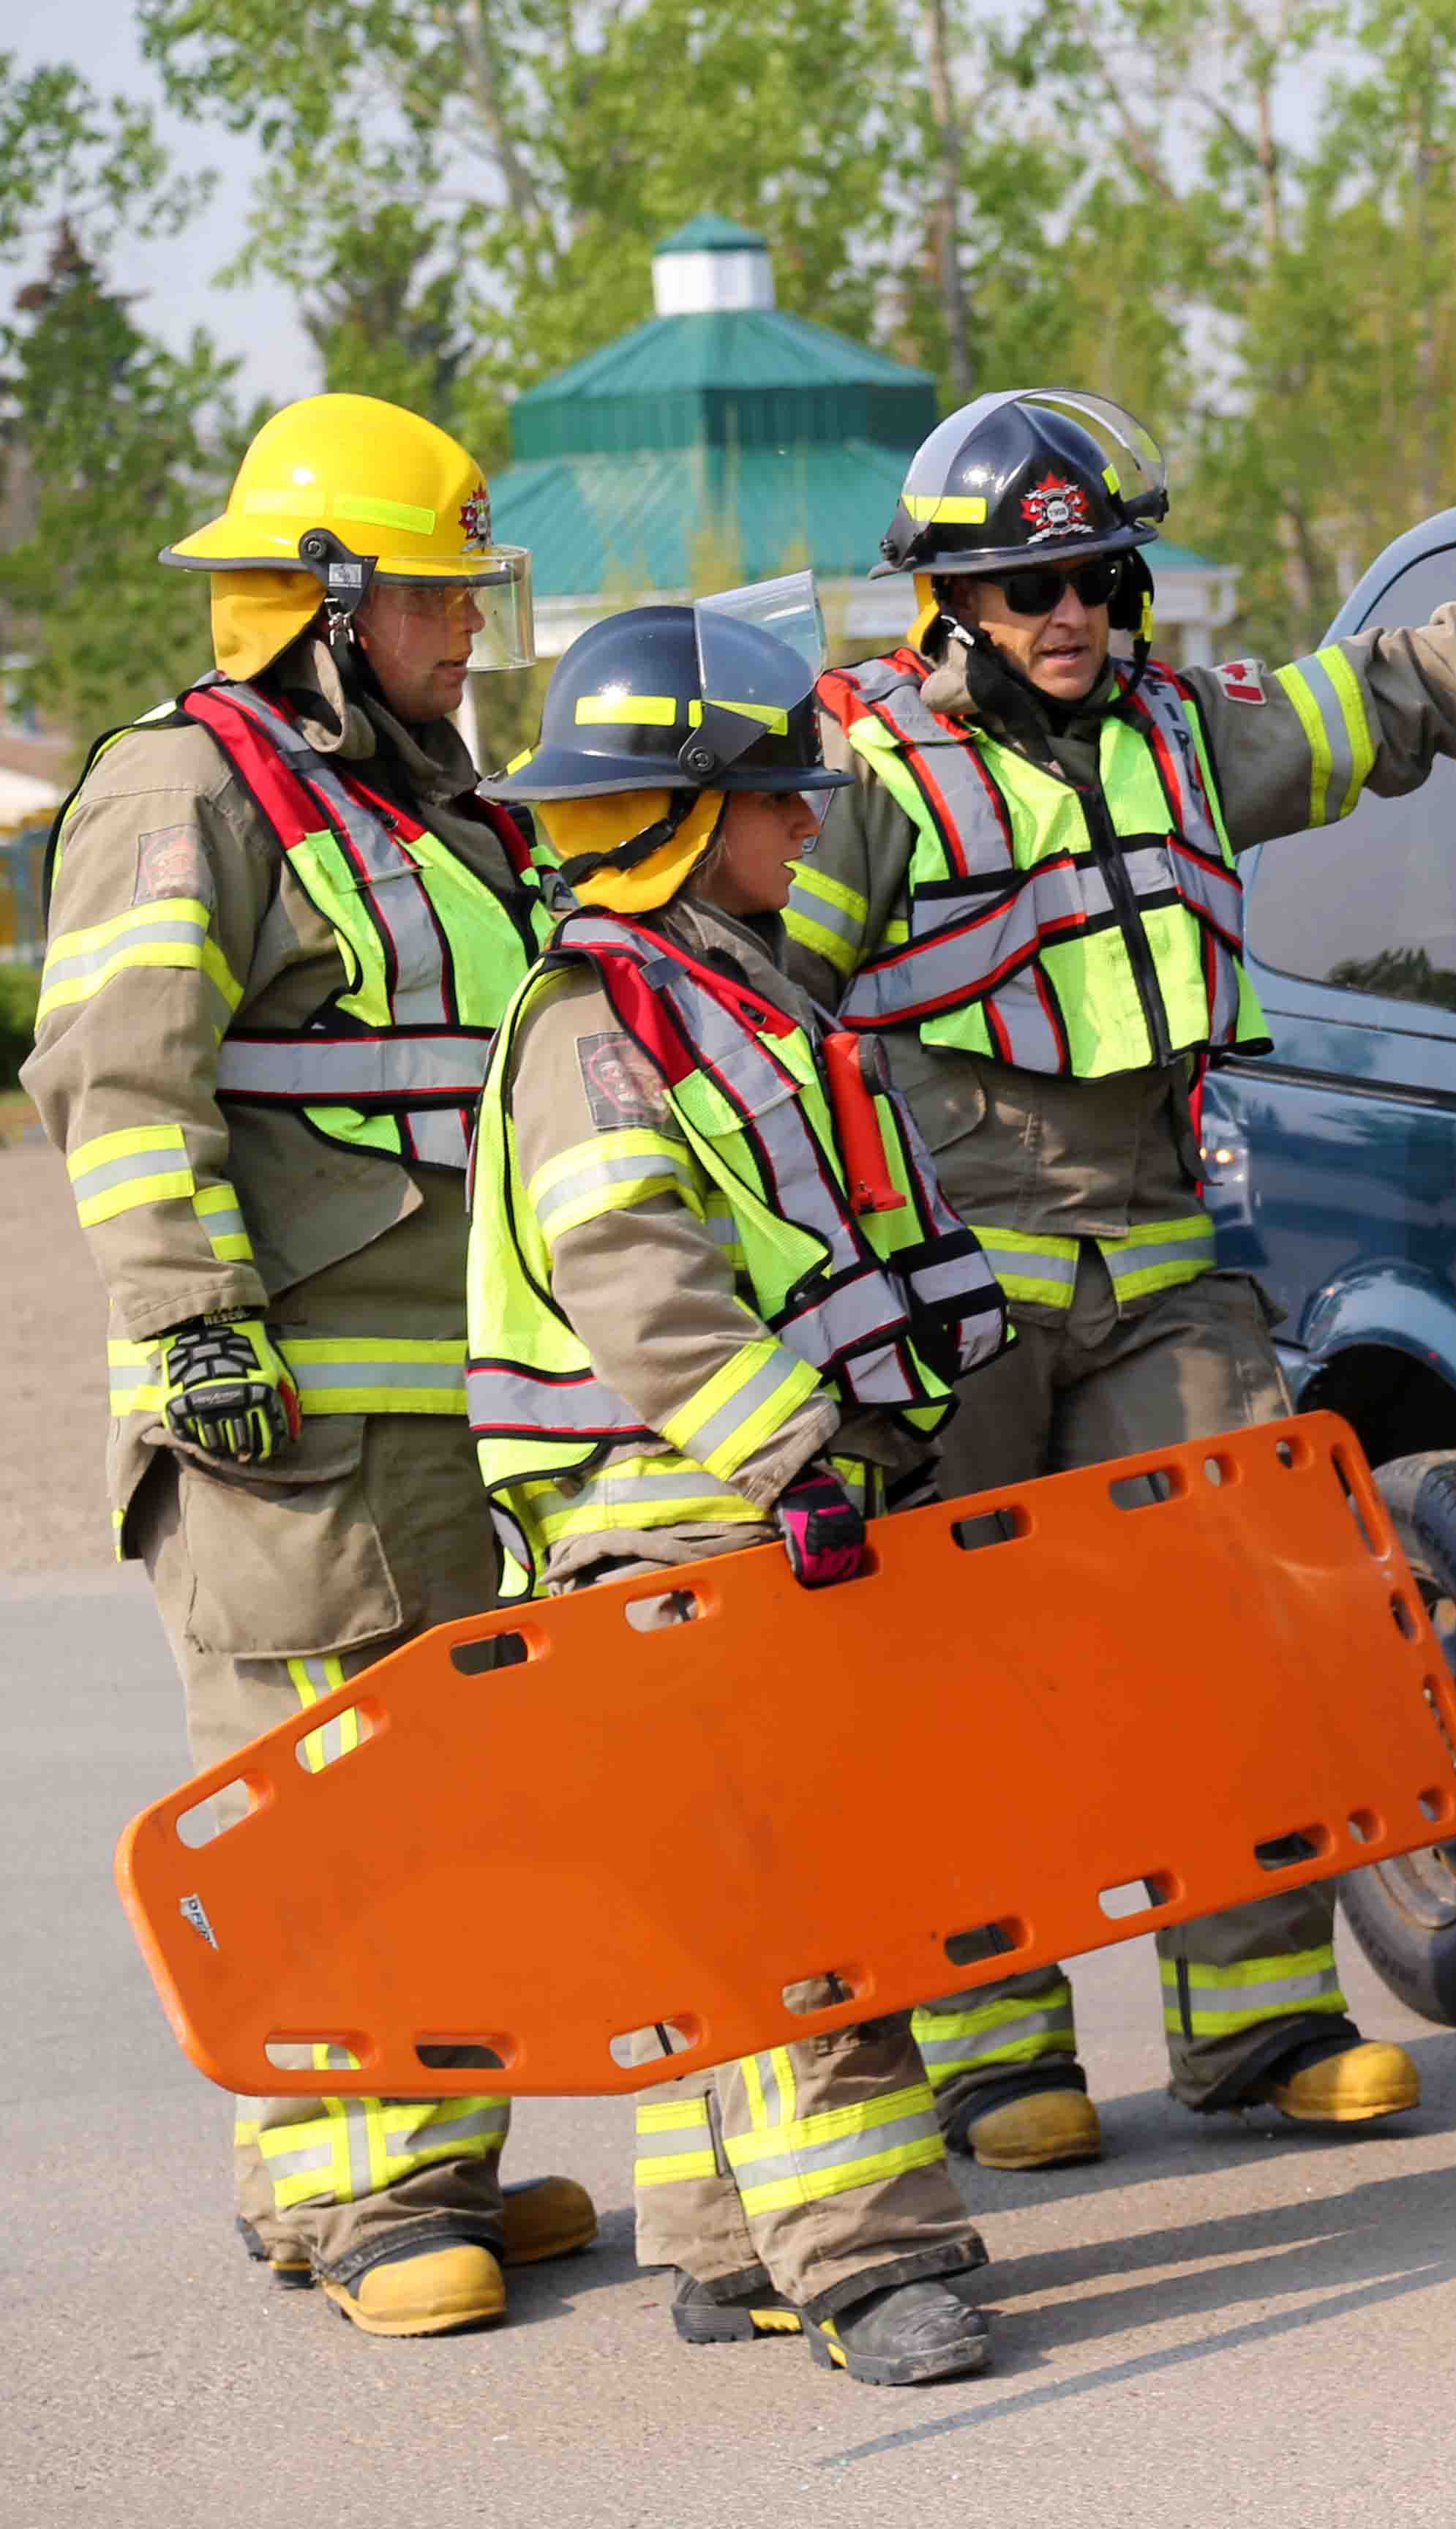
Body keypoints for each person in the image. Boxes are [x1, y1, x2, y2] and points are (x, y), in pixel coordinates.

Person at [782, 386, 1456, 2170]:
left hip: (1166, 1262)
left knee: (1249, 1627)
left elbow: (1420, 690)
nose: (1067, 613)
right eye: (1025, 592)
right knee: (962, 1673)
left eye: (1093, 576)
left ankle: (1255, 2028)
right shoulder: (861, 773)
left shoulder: (1194, 730)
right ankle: (998, 2056)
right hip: (952, 1289)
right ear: (949, 605)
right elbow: (758, 1030)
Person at [20, 392, 599, 2338]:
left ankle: (398, 2166)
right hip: (282, 1422)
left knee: (445, 1790)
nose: (462, 636)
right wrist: (192, 1325)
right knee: (332, 1802)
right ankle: (371, 2192)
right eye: (432, 599)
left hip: (446, 1408)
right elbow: (114, 1080)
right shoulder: (178, 789)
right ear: (324, 600)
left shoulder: (427, 798)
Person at [467, 599, 1009, 2386]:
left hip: (721, 1498)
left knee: (732, 1887)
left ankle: (723, 2246)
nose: (807, 822)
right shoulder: (607, 1020)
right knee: (808, 1896)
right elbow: (637, 1276)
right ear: (689, 814)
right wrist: (799, 1453)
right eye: (776, 796)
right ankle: (871, 2267)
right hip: (685, 1505)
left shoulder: (710, 991)